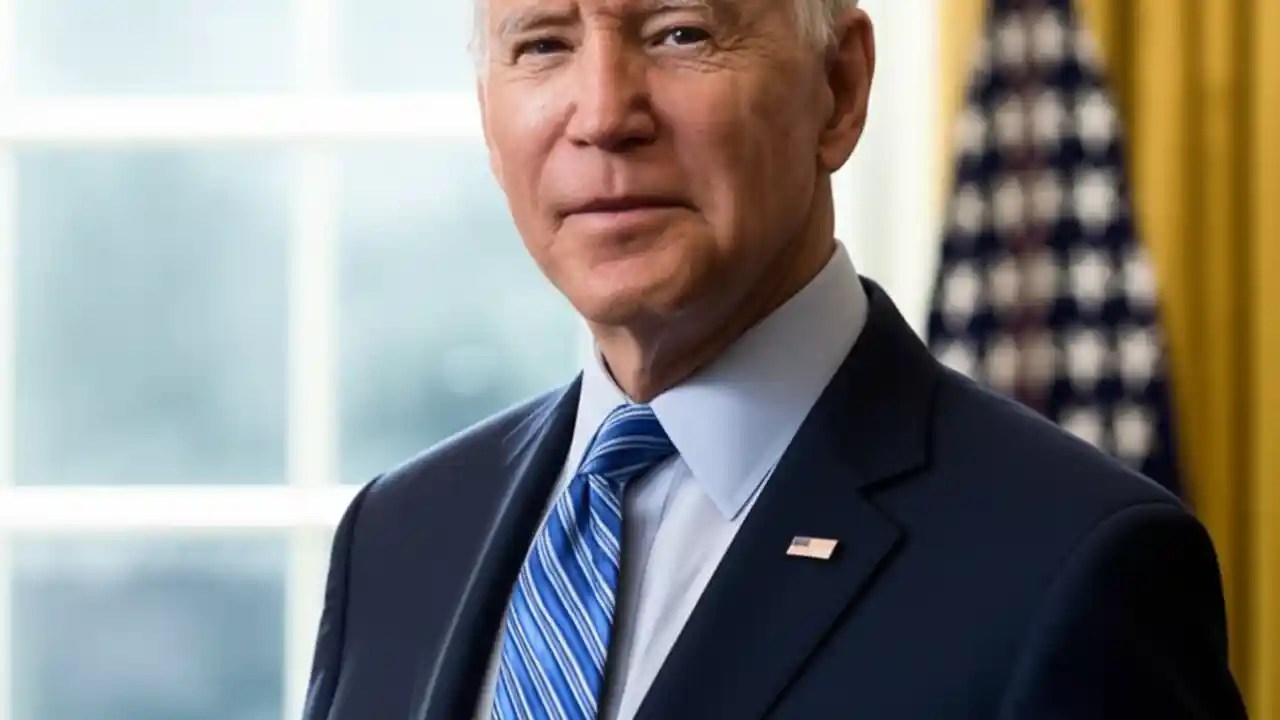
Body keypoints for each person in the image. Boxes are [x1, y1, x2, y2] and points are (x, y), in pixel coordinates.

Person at [304, 0, 1246, 717]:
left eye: (678, 32)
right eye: (543, 43)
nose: (602, 115)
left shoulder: (1075, 565)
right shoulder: (397, 539)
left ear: (838, 90)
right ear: (487, 117)